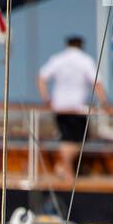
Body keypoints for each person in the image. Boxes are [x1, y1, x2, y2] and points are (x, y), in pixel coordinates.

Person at [38, 36, 107, 184]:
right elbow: (97, 82)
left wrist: (46, 99)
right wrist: (104, 103)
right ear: (81, 45)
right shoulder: (85, 60)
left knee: (68, 138)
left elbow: (41, 77)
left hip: (59, 107)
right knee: (77, 139)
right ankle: (66, 170)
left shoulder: (57, 59)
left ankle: (64, 167)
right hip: (77, 108)